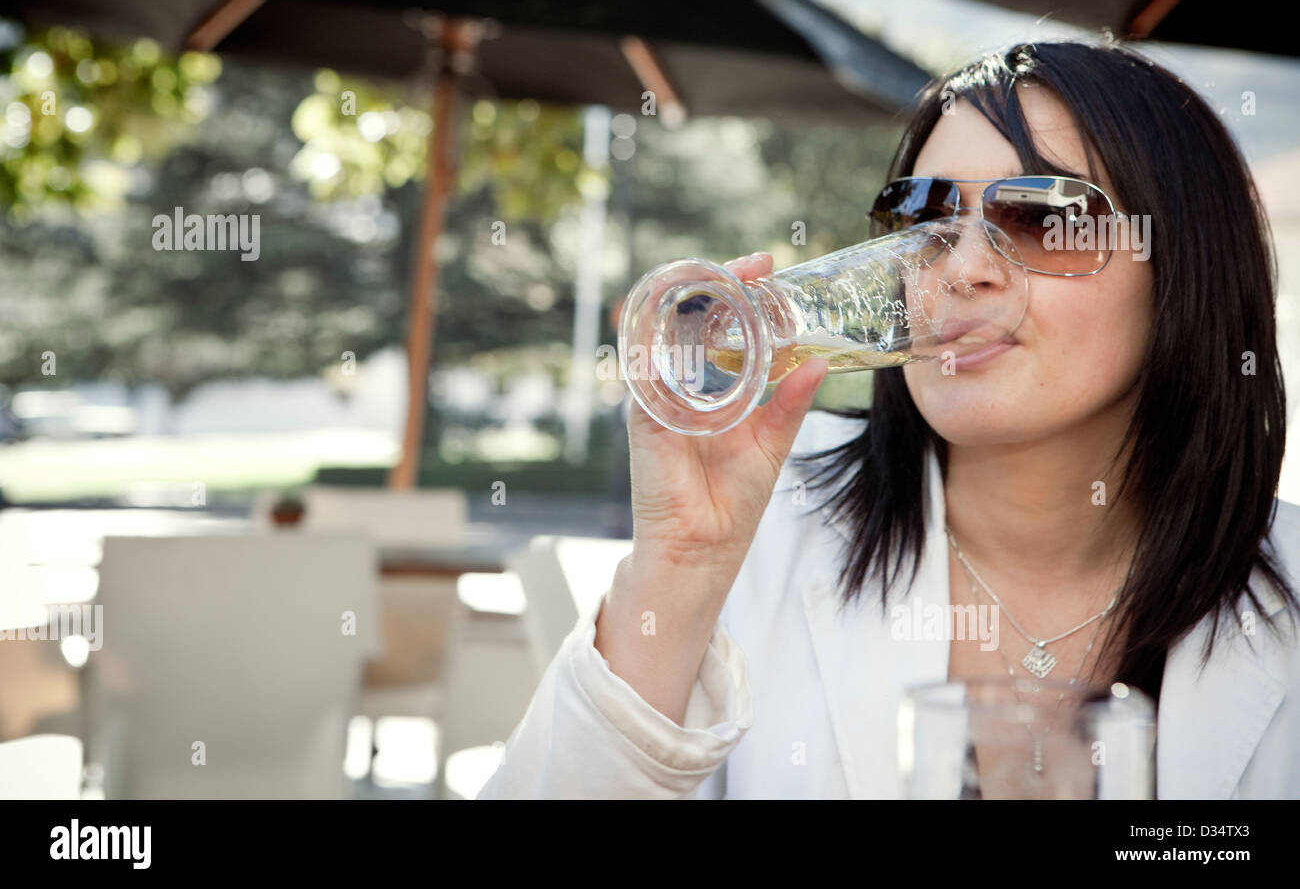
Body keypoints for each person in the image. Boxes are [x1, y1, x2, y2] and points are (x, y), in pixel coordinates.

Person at [478, 40, 1300, 798]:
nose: (963, 268)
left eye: (1043, 217)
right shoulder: (767, 522)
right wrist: (680, 572)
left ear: (1187, 266)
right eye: (924, 220)